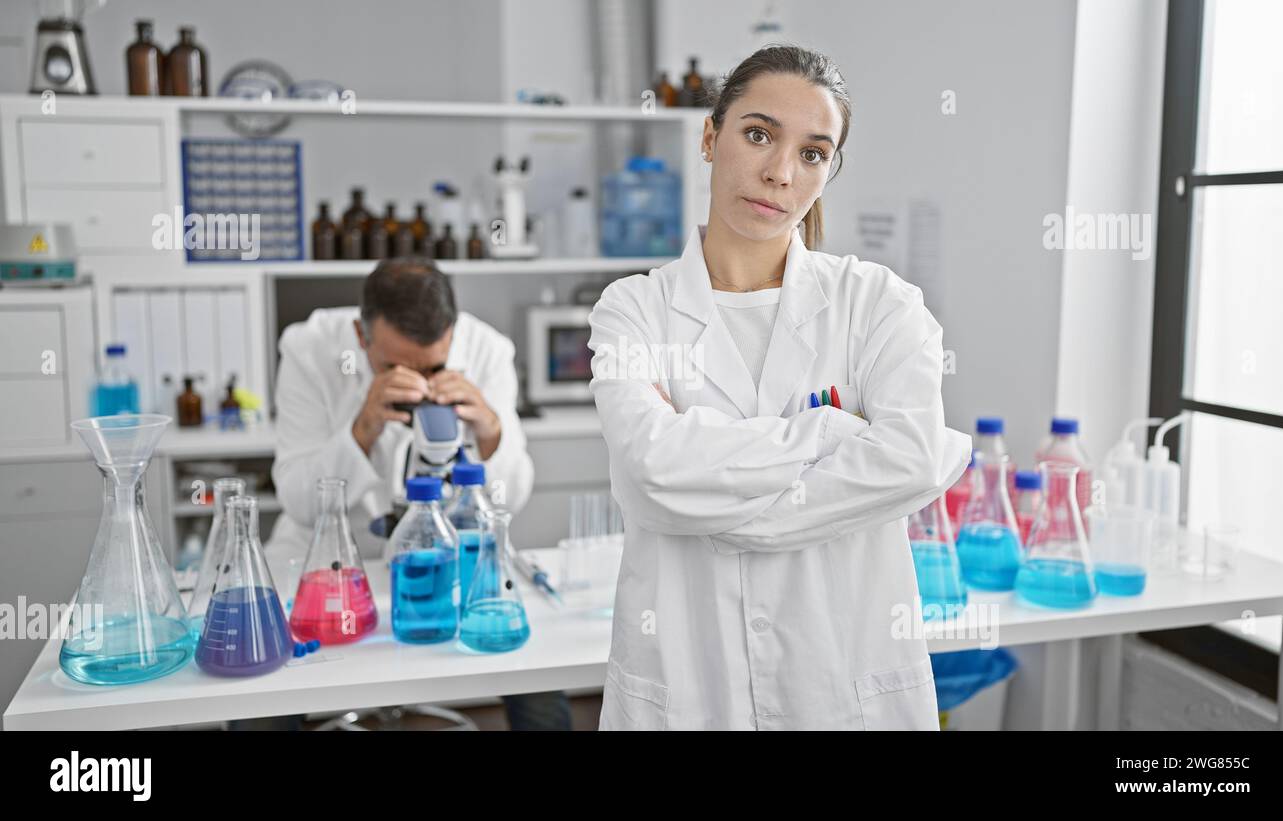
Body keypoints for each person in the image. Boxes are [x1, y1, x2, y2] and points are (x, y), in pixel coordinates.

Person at [587, 46, 971, 730]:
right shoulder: (633, 309)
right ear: (710, 137)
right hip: (686, 687)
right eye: (758, 134)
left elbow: (911, 457)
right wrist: (831, 433)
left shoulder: (881, 304)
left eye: (814, 152)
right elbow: (650, 471)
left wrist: (704, 499)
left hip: (842, 687)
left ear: (829, 170)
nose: (779, 172)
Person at [264, 257, 571, 731]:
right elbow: (300, 500)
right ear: (360, 336)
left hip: (452, 555)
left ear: (453, 333)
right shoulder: (309, 349)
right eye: (392, 367)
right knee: (265, 690)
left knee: (536, 683)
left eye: (433, 367)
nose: (417, 386)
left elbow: (512, 496)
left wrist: (490, 429)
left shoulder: (487, 350)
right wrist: (362, 427)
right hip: (330, 561)